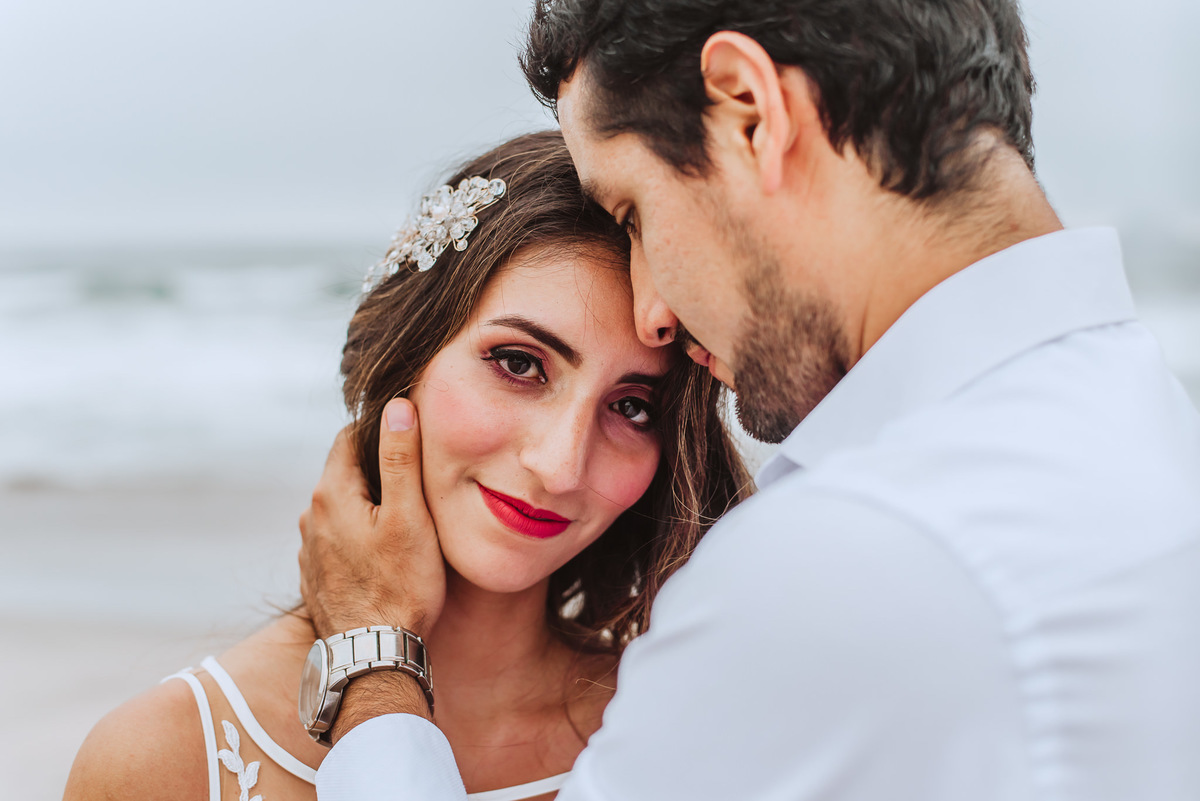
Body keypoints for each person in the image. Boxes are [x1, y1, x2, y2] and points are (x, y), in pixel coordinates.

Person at [297, 1, 1200, 800]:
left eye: (630, 215)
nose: (652, 309)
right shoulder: (1153, 430)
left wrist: (375, 670)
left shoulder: (842, 556)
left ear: (749, 110)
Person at [63, 131, 751, 801]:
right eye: (518, 364)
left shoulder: (690, 732)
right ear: (405, 356)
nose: (560, 465)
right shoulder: (161, 759)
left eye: (632, 407)